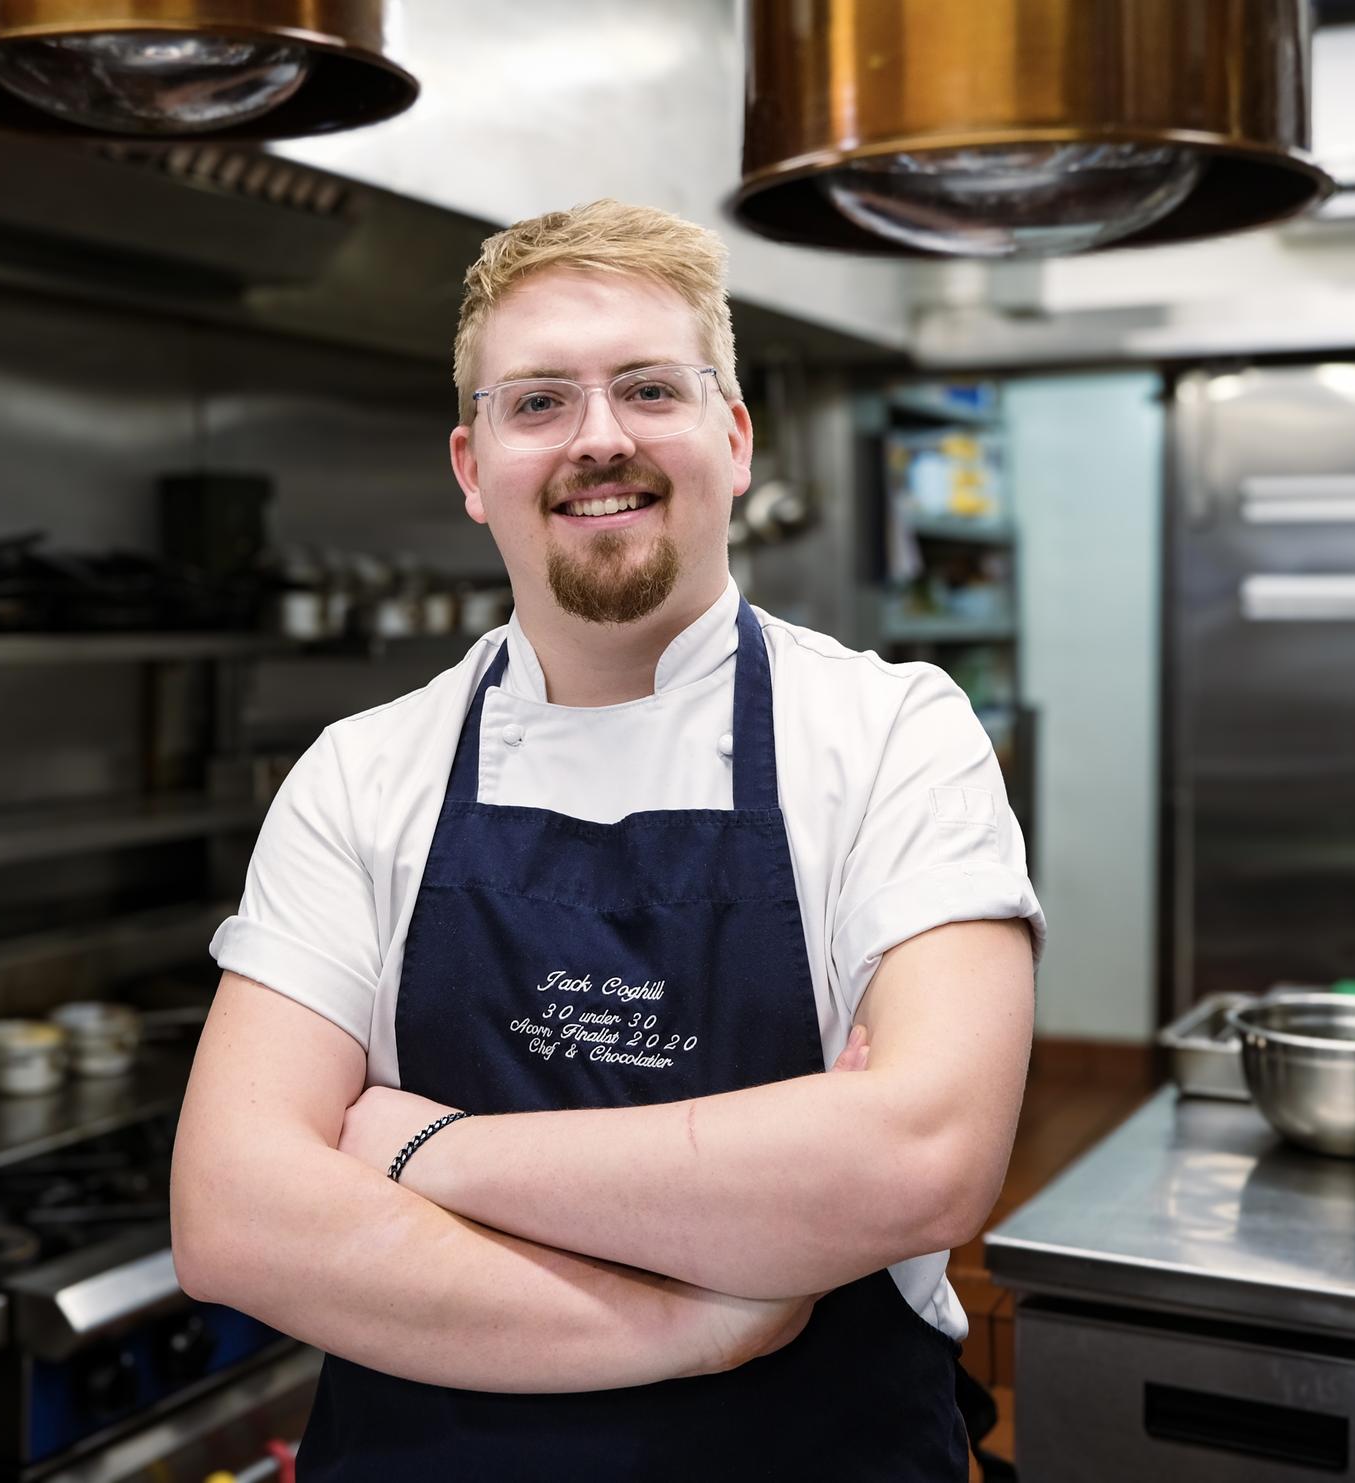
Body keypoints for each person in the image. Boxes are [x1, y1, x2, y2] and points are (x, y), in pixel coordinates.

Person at [171, 199, 1043, 1482]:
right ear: (471, 468)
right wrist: (689, 1322)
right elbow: (233, 1219)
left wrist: (424, 1148)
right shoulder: (362, 772)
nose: (597, 440)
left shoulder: (890, 733)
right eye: (535, 403)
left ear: (732, 438)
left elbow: (917, 1162)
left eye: (648, 389)